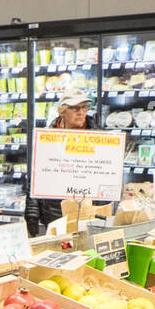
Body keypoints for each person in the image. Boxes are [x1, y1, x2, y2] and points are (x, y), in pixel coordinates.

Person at [25, 91, 96, 236]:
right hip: (54, 211)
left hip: (87, 207)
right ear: (62, 111)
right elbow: (36, 176)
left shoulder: (98, 136)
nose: (81, 112)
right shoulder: (48, 139)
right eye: (75, 108)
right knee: (61, 248)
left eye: (84, 107)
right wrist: (32, 212)